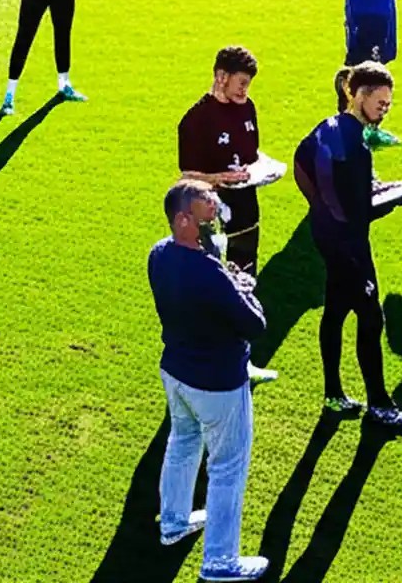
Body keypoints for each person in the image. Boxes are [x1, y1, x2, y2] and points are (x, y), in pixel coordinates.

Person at [148, 180, 270, 582]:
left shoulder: (159, 255)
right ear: (183, 220)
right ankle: (220, 561)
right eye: (206, 215)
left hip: (176, 373)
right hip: (217, 384)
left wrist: (225, 278)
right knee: (227, 467)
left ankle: (173, 522)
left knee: (182, 442)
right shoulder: (209, 274)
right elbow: (255, 324)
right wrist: (243, 289)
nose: (213, 223)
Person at [293, 61, 402, 431]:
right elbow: (361, 211)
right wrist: (397, 198)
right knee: (371, 318)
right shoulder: (356, 144)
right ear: (360, 95)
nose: (385, 111)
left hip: (328, 237)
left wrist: (317, 204)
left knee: (335, 312)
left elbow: (300, 161)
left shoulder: (331, 127)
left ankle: (334, 395)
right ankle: (380, 406)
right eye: (381, 104)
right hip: (348, 247)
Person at [178, 46, 279, 384]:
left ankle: (242, 363)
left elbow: (250, 156)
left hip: (248, 211)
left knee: (245, 284)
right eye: (241, 83)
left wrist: (261, 169)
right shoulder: (195, 120)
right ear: (221, 77)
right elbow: (187, 177)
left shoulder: (247, 108)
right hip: (213, 217)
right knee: (216, 290)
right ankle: (206, 363)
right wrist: (218, 179)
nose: (245, 91)